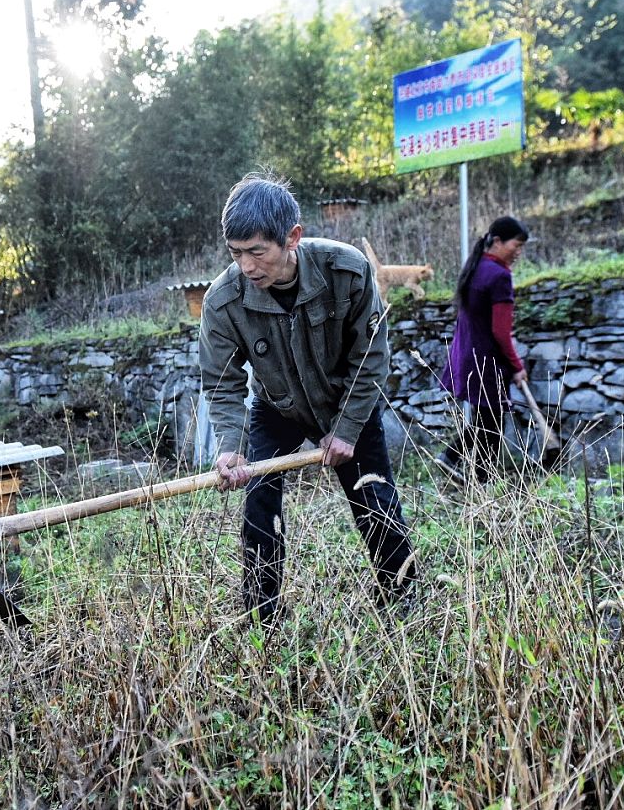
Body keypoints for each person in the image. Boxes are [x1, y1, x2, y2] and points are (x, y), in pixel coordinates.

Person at [199, 172, 416, 626]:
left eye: (258, 252)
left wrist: (348, 429)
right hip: (275, 408)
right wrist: (229, 444)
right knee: (259, 506)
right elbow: (221, 383)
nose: (247, 266)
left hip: (346, 403)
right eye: (236, 254)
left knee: (376, 502)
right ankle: (263, 617)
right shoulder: (223, 301)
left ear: (292, 237)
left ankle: (403, 603)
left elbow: (371, 358)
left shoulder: (347, 271)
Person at [437, 216, 530, 484]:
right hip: (487, 361)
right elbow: (500, 332)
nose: (519, 252)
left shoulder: (476, 266)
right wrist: (516, 366)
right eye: (517, 245)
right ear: (498, 241)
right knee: (492, 427)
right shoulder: (500, 276)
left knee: (484, 421)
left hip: (467, 355)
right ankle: (479, 483)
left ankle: (454, 461)